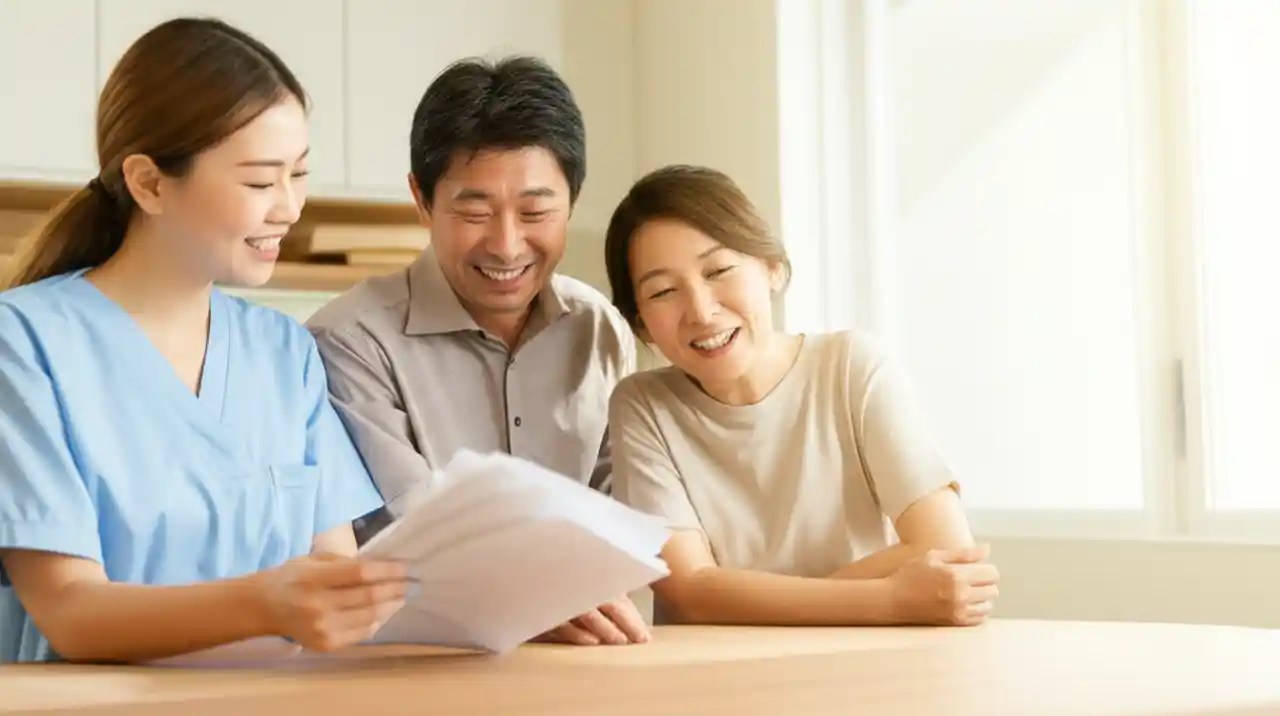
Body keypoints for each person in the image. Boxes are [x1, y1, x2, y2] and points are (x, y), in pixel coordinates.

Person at [0, 18, 409, 664]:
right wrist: (265, 602)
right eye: (259, 181)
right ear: (150, 183)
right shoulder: (23, 343)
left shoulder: (284, 352)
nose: (290, 208)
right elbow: (71, 612)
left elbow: (335, 575)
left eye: (298, 175)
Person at [306, 57, 646, 646]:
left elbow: (621, 511)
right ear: (421, 198)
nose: (507, 244)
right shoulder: (349, 341)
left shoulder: (600, 330)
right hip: (422, 662)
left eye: (536, 211)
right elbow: (415, 533)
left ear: (574, 201)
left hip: (586, 656)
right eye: (474, 211)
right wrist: (541, 592)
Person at [604, 165, 1000, 627]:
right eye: (664, 291)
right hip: (718, 681)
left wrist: (742, 600)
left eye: (719, 270)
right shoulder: (642, 406)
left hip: (862, 667)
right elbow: (691, 591)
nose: (701, 310)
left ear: (772, 268)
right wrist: (889, 599)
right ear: (639, 323)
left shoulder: (852, 366)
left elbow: (946, 545)